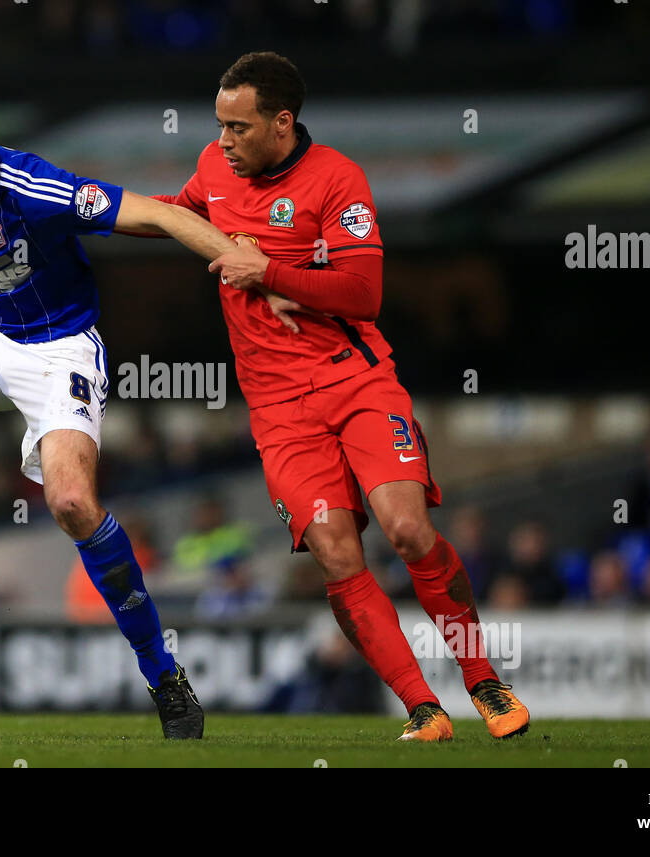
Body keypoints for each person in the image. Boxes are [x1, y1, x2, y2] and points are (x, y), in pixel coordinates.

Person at [140, 51, 529, 741]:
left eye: (238, 127)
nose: (223, 141)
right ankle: (423, 707)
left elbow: (364, 293)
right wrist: (74, 212)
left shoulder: (336, 180)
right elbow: (177, 217)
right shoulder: (213, 167)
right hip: (279, 410)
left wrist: (272, 272)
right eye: (219, 125)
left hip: (355, 381)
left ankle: (483, 681)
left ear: (281, 123)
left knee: (408, 530)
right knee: (337, 553)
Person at [0, 87, 242, 739]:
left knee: (72, 506)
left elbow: (155, 213)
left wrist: (235, 254)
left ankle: (165, 677)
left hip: (59, 351)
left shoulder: (36, 189)